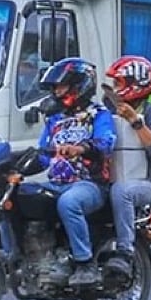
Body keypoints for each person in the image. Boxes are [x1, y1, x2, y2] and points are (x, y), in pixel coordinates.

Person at [31, 57, 116, 288]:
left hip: (90, 184)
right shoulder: (54, 119)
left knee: (69, 202)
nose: (57, 92)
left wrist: (80, 148)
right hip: (56, 182)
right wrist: (15, 167)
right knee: (13, 196)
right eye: (55, 88)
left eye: (61, 86)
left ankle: (84, 263)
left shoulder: (98, 114)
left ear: (79, 85)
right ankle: (23, 258)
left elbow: (106, 144)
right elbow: (43, 156)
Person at [103, 56, 151, 278]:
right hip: (110, 177)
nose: (114, 89)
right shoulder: (106, 109)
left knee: (121, 192)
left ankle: (125, 251)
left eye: (119, 84)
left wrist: (135, 121)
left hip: (148, 182)